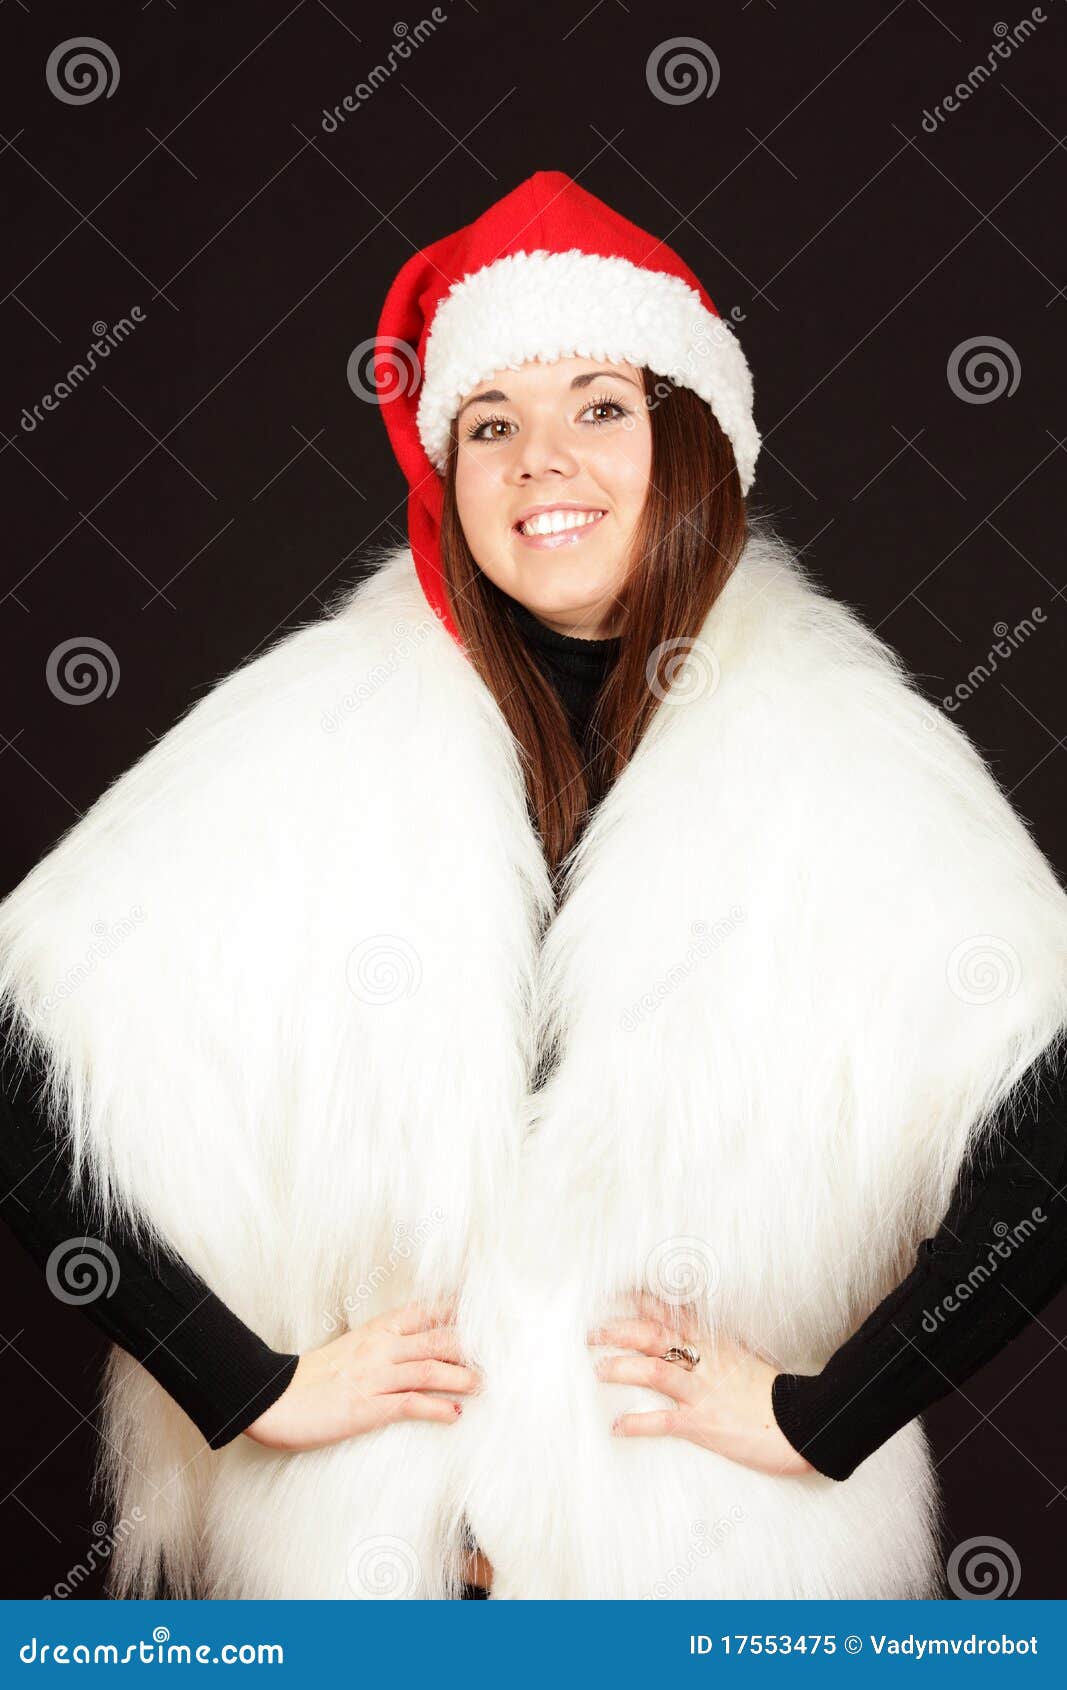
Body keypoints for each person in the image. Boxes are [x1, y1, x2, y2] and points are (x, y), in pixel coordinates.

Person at [1, 169, 1065, 1601]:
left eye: (599, 406)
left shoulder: (847, 757)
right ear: (451, 472)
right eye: (491, 423)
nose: (539, 458)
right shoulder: (309, 739)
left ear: (690, 441)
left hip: (714, 1584)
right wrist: (239, 1381)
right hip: (371, 1584)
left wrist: (830, 1410)